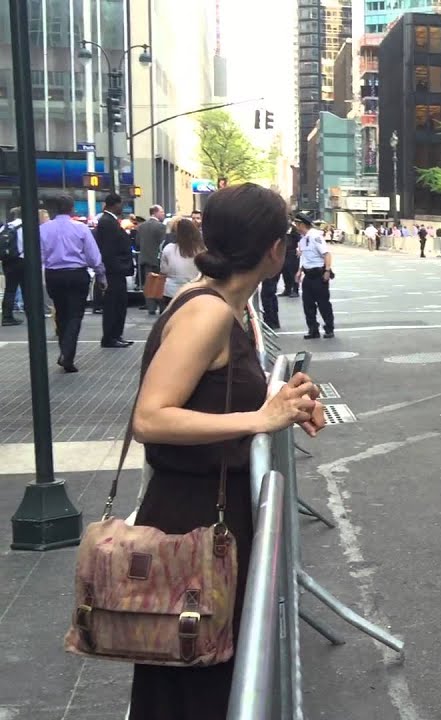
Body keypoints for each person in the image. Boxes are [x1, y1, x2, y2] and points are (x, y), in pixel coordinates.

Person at [128, 182, 324, 719]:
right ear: (275, 250)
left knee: (206, 673)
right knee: (198, 681)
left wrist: (286, 399)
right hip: (194, 520)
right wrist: (262, 418)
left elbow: (217, 393)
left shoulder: (224, 305)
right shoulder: (208, 312)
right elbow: (150, 417)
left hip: (209, 512)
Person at [40, 194, 106, 373]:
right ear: (72, 209)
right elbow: (93, 255)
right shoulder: (81, 228)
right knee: (75, 315)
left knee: (61, 313)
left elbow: (40, 255)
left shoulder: (43, 229)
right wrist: (100, 275)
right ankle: (67, 354)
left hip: (54, 274)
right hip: (77, 274)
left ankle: (64, 350)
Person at [95, 193, 135, 347]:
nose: (122, 207)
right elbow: (109, 249)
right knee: (113, 305)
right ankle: (111, 337)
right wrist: (120, 266)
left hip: (115, 270)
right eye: (121, 204)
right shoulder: (107, 222)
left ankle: (116, 335)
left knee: (119, 304)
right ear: (115, 204)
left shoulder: (110, 221)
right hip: (114, 272)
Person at [294, 213, 335, 339]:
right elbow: (304, 256)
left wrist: (327, 271)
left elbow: (326, 254)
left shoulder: (315, 236)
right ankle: (313, 330)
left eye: (297, 224)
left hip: (319, 275)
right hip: (308, 275)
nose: (296, 227)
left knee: (323, 304)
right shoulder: (303, 239)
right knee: (308, 304)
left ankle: (329, 328)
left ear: (302, 224)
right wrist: (299, 271)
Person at [159, 218, 203, 310]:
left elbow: (163, 271)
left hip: (171, 291)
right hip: (194, 291)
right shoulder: (201, 250)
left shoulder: (168, 249)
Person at [136, 205, 167, 316]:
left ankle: (151, 307)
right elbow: (163, 243)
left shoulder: (141, 227)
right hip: (158, 259)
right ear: (155, 213)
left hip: (145, 259)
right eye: (161, 212)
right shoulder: (161, 227)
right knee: (160, 284)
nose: (163, 214)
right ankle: (162, 307)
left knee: (148, 284)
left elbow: (137, 242)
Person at [2, 207, 25, 326]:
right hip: (22, 260)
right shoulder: (27, 226)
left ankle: (7, 316)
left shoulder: (6, 226)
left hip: (8, 261)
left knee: (10, 289)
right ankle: (33, 313)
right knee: (28, 288)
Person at [280, 225, 300, 297]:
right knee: (285, 272)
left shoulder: (295, 229)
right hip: (283, 252)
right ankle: (287, 290)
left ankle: (295, 290)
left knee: (293, 272)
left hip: (293, 252)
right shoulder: (282, 227)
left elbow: (300, 239)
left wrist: (299, 248)